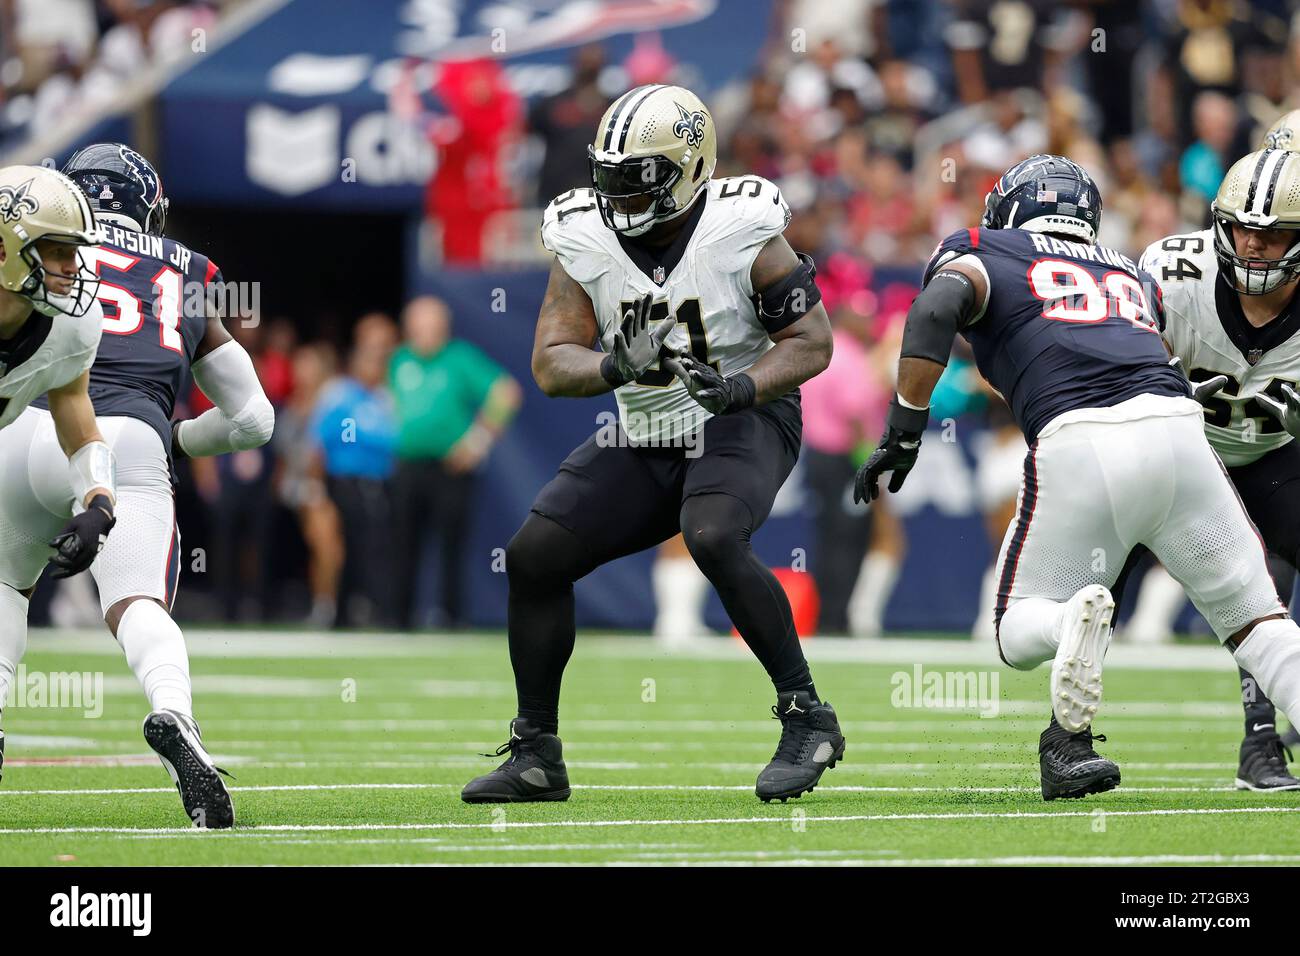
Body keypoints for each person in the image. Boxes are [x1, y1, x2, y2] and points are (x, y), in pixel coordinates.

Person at [855, 153, 1300, 802]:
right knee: (1259, 623)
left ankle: (1067, 626)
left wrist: (903, 429)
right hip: (1182, 431)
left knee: (1013, 629)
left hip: (1082, 436)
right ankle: (1069, 743)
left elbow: (933, 310)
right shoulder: (1123, 264)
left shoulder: (985, 248)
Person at [461, 84, 839, 805]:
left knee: (713, 532)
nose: (617, 194)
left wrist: (739, 387)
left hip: (743, 415)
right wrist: (613, 366)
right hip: (647, 427)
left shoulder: (742, 225)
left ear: (691, 169)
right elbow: (550, 361)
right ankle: (537, 753)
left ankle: (807, 716)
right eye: (609, 175)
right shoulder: (583, 235)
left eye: (638, 177)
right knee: (535, 556)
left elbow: (811, 342)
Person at [1138, 145, 1300, 790]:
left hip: (1272, 456)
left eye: (1274, 234)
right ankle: (1066, 739)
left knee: (1269, 573)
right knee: (1096, 579)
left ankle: (1261, 738)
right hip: (1174, 452)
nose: (1255, 246)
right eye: (1244, 230)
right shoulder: (1174, 276)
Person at [0, 163, 116, 785]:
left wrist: (98, 501)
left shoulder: (70, 325)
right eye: (56, 250)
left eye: (75, 251)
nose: (73, 267)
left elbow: (72, 403)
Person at [389, 295, 520, 629]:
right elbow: (387, 403)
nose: (427, 332)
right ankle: (398, 618)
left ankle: (450, 617)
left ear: (444, 327)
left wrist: (477, 442)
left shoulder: (459, 357)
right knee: (402, 542)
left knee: (451, 544)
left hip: (451, 467)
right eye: (420, 325)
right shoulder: (399, 360)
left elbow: (506, 392)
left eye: (433, 325)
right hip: (408, 465)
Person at [312, 325, 398, 628]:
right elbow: (319, 444)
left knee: (374, 547)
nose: (374, 368)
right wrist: (317, 489)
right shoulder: (339, 395)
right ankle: (339, 611)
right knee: (341, 547)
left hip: (379, 484)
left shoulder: (386, 398)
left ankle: (373, 609)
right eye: (368, 362)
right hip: (344, 483)